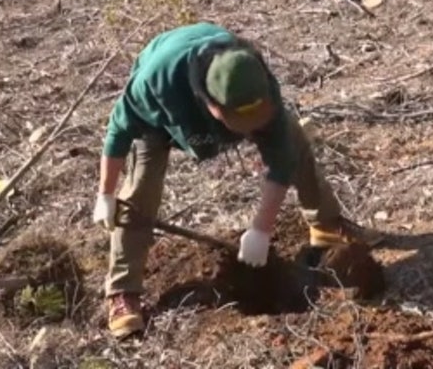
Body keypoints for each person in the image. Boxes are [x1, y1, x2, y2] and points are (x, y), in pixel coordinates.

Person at [91, 21, 381, 338]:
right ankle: (123, 292)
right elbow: (118, 132)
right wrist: (105, 194)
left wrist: (261, 229)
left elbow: (280, 160)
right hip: (158, 126)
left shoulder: (255, 77)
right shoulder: (154, 83)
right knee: (139, 190)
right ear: (211, 104)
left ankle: (326, 223)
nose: (247, 129)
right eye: (239, 121)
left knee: (293, 135)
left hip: (231, 98)